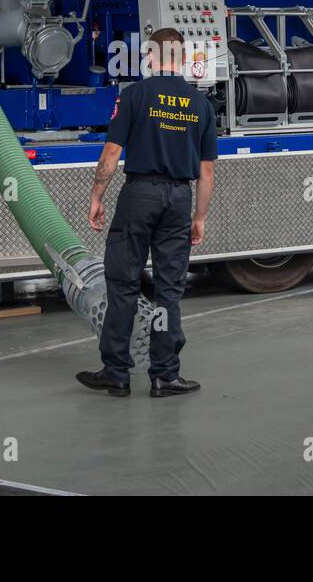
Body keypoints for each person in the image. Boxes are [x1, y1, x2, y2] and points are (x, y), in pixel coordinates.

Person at [78, 27, 217, 398]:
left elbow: (111, 153)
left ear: (151, 58)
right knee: (168, 291)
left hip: (139, 195)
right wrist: (199, 217)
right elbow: (206, 172)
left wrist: (96, 195)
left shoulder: (135, 95)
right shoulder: (201, 104)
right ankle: (165, 375)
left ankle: (117, 372)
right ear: (184, 58)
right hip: (179, 198)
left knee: (123, 284)